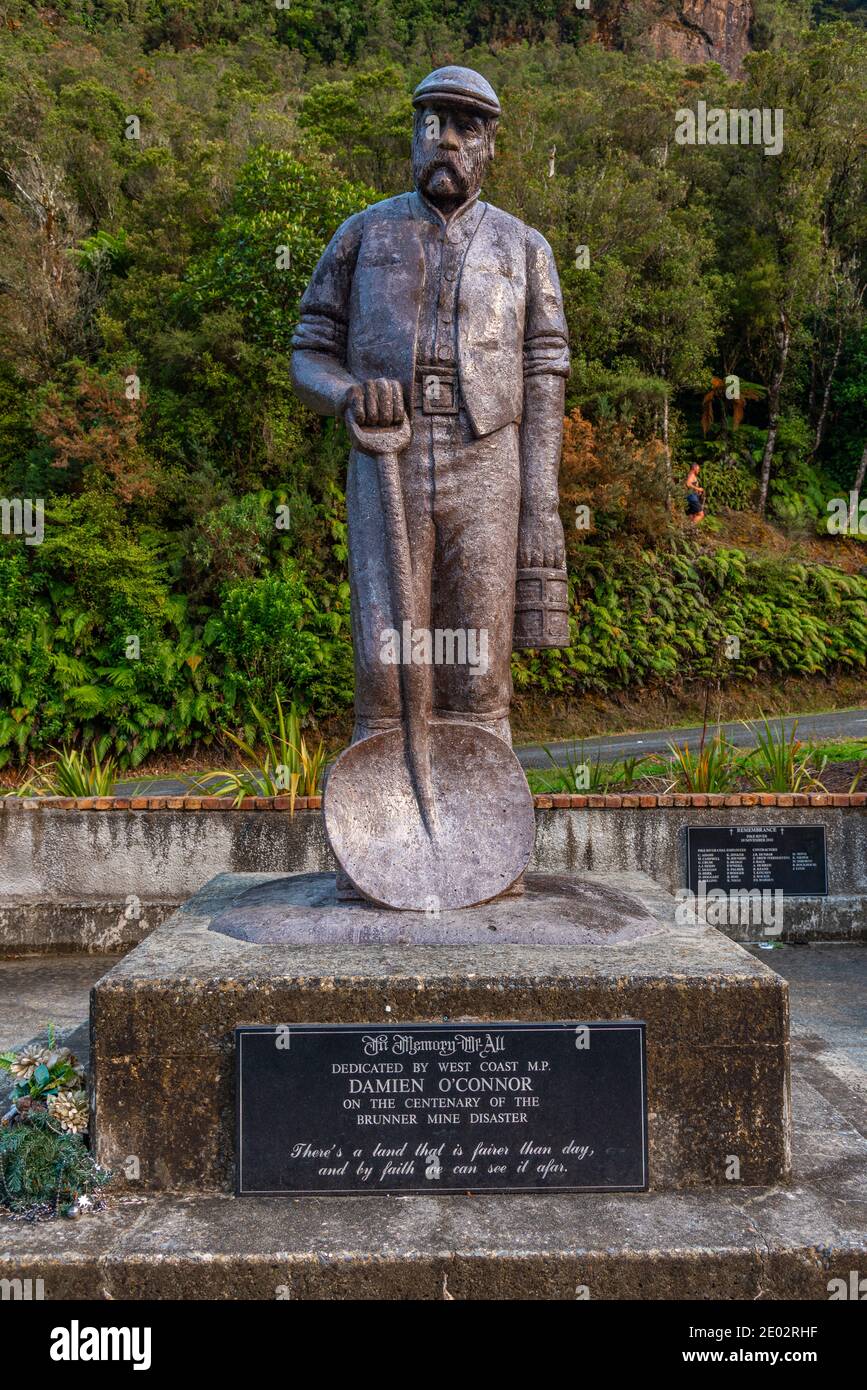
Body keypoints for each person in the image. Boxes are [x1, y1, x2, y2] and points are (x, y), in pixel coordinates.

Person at [290, 66, 570, 750]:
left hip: (488, 460)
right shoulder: (363, 234)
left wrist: (540, 501)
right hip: (388, 457)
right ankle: (385, 831)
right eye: (428, 124)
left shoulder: (524, 247)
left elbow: (545, 371)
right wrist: (348, 394)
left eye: (463, 127)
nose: (443, 139)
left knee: (476, 664)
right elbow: (307, 351)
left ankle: (480, 836)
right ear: (412, 139)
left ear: (491, 145)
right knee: (384, 663)